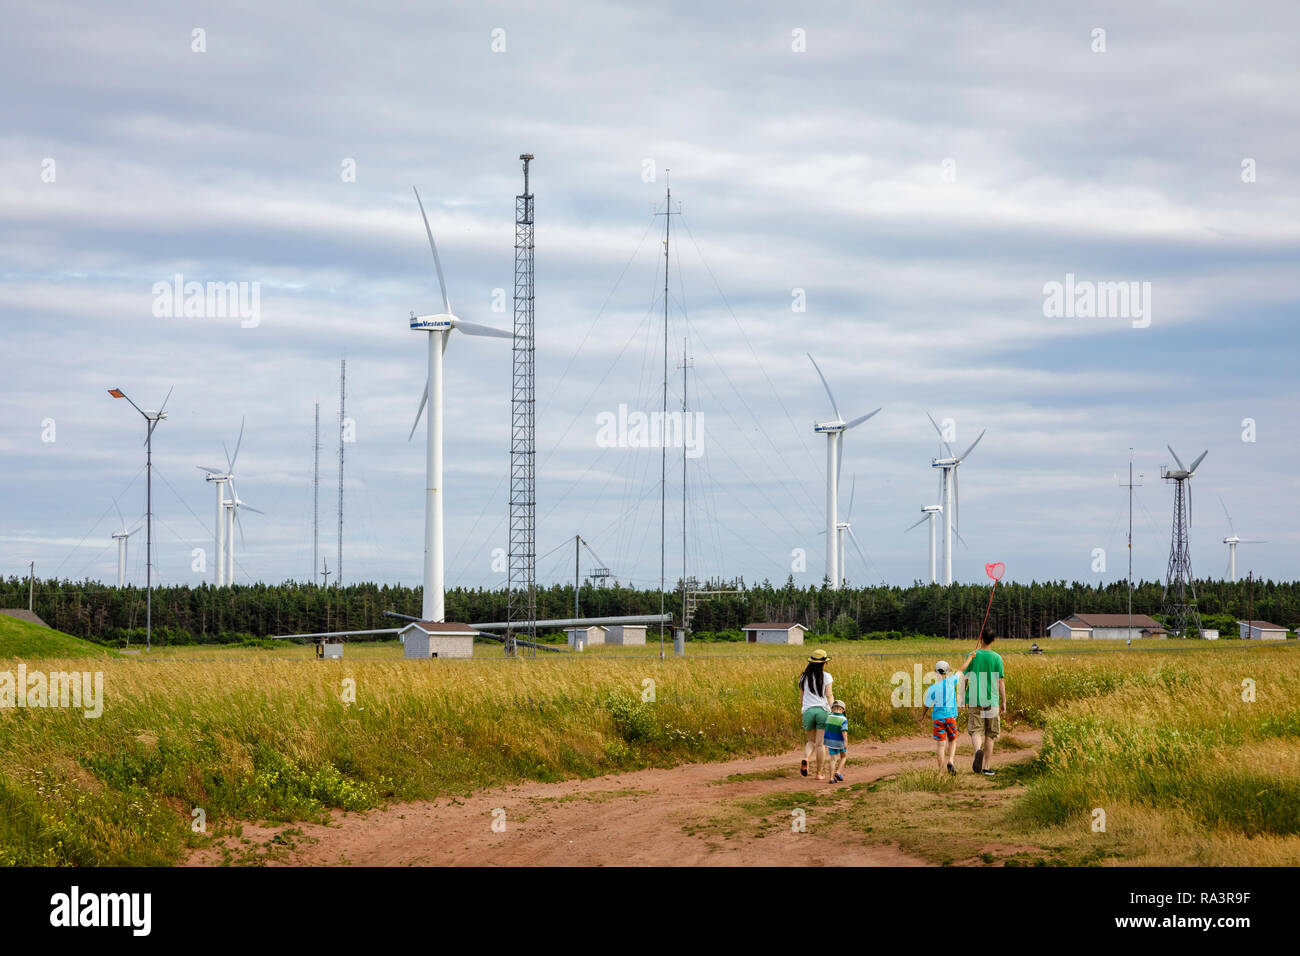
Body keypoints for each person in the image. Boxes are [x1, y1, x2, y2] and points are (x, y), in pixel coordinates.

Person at [958, 634, 1006, 776]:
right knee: (990, 734)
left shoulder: (971, 655)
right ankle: (986, 767)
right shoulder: (997, 657)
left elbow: (964, 678)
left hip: (974, 698)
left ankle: (977, 750)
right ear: (994, 640)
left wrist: (961, 699)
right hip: (992, 699)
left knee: (975, 730)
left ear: (981, 639)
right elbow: (1000, 681)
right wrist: (1004, 700)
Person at [798, 649, 834, 779]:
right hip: (822, 711)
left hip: (807, 711)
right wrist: (835, 710)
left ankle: (806, 758)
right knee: (820, 744)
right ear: (823, 663)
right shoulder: (827, 677)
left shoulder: (803, 677)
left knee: (810, 741)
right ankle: (819, 774)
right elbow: (829, 695)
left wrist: (804, 709)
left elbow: (801, 699)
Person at [923, 660, 961, 774]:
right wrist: (971, 657)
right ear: (947, 672)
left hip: (938, 718)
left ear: (935, 672)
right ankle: (950, 761)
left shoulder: (932, 688)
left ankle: (940, 772)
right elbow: (961, 669)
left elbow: (926, 705)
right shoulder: (951, 681)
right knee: (952, 740)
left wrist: (922, 716)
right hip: (950, 717)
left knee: (940, 744)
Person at [824, 700, 850, 782]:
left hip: (830, 742)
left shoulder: (828, 717)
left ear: (832, 709)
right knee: (844, 756)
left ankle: (831, 778)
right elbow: (844, 731)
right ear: (843, 710)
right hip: (840, 742)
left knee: (833, 759)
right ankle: (838, 772)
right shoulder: (843, 719)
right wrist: (846, 741)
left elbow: (826, 729)